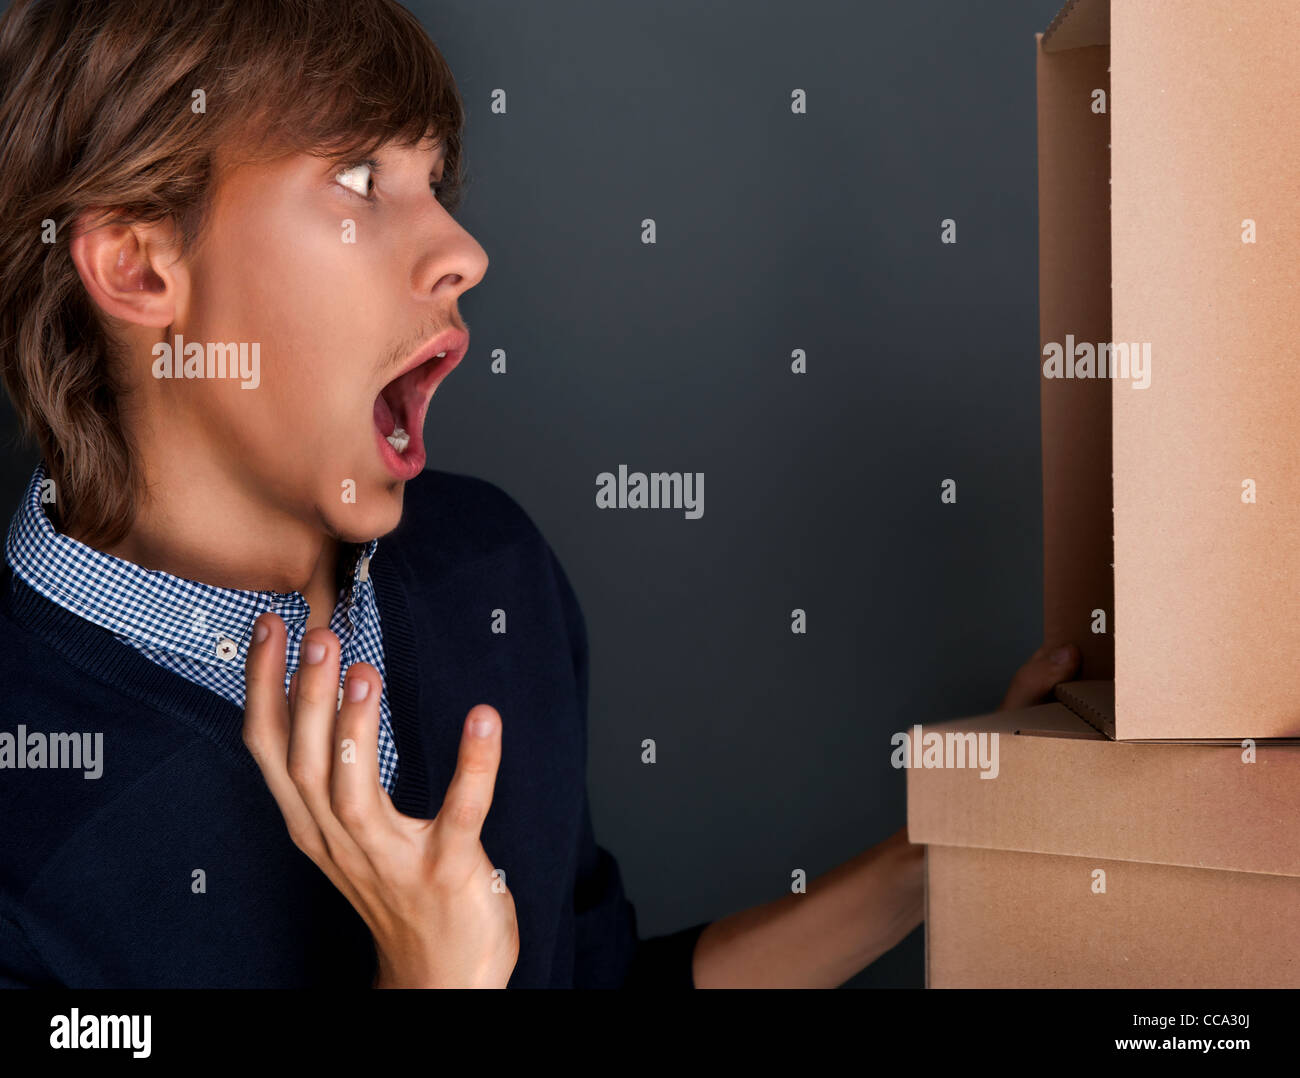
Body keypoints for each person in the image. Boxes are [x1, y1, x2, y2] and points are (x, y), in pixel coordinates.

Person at [0, 0, 1081, 987]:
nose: (463, 250)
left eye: (437, 185)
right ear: (140, 267)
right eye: (361, 182)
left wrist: (945, 850)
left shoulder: (488, 573)